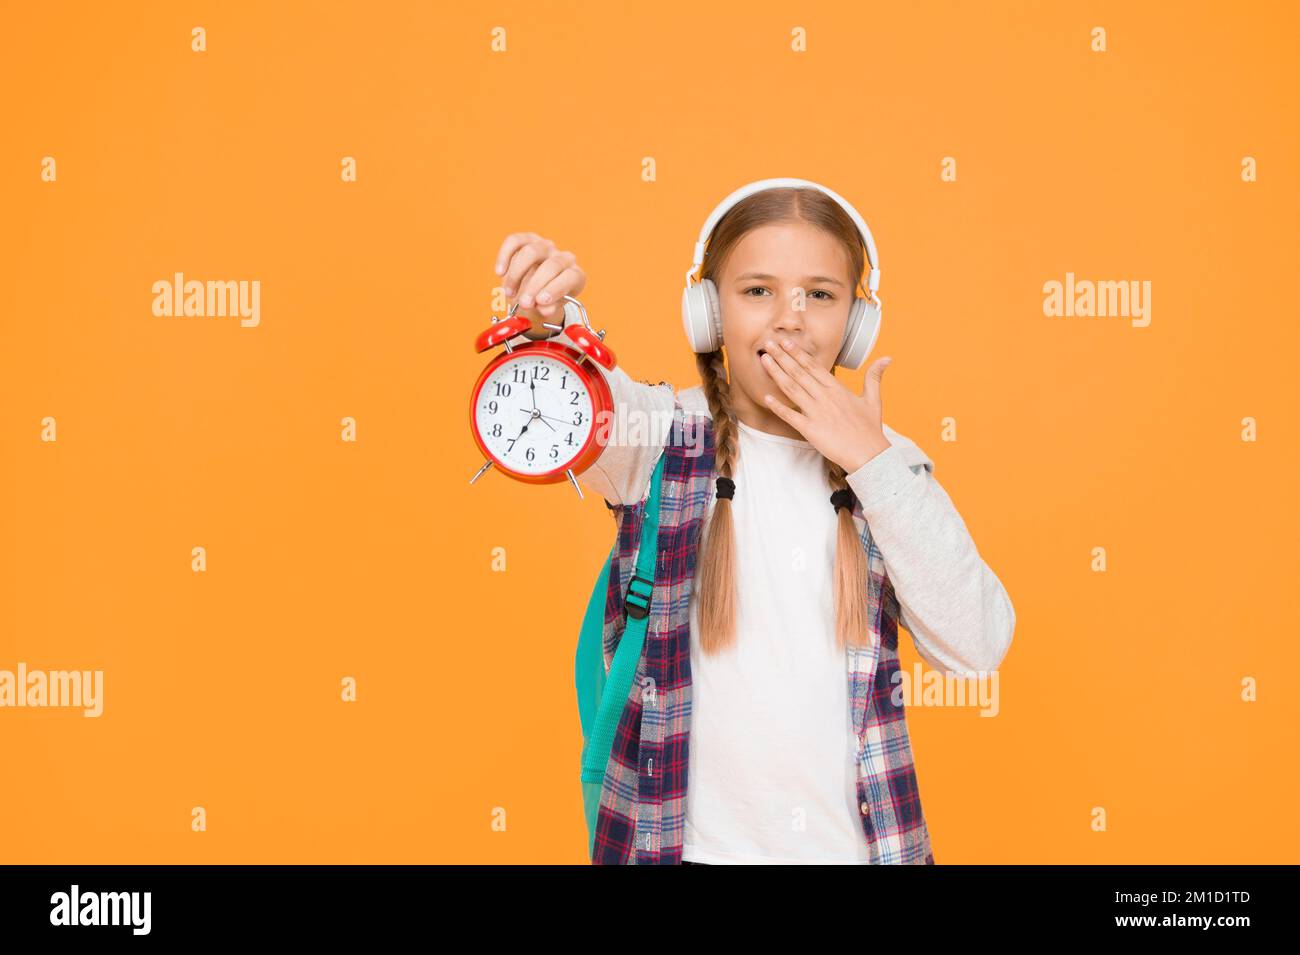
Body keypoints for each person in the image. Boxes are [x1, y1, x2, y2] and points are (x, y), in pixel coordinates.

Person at [493, 180, 1015, 864]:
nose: (790, 320)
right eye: (758, 290)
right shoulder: (655, 433)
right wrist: (549, 324)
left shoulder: (890, 467)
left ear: (856, 325)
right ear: (708, 312)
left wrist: (871, 461)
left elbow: (976, 644)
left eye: (820, 295)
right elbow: (560, 404)